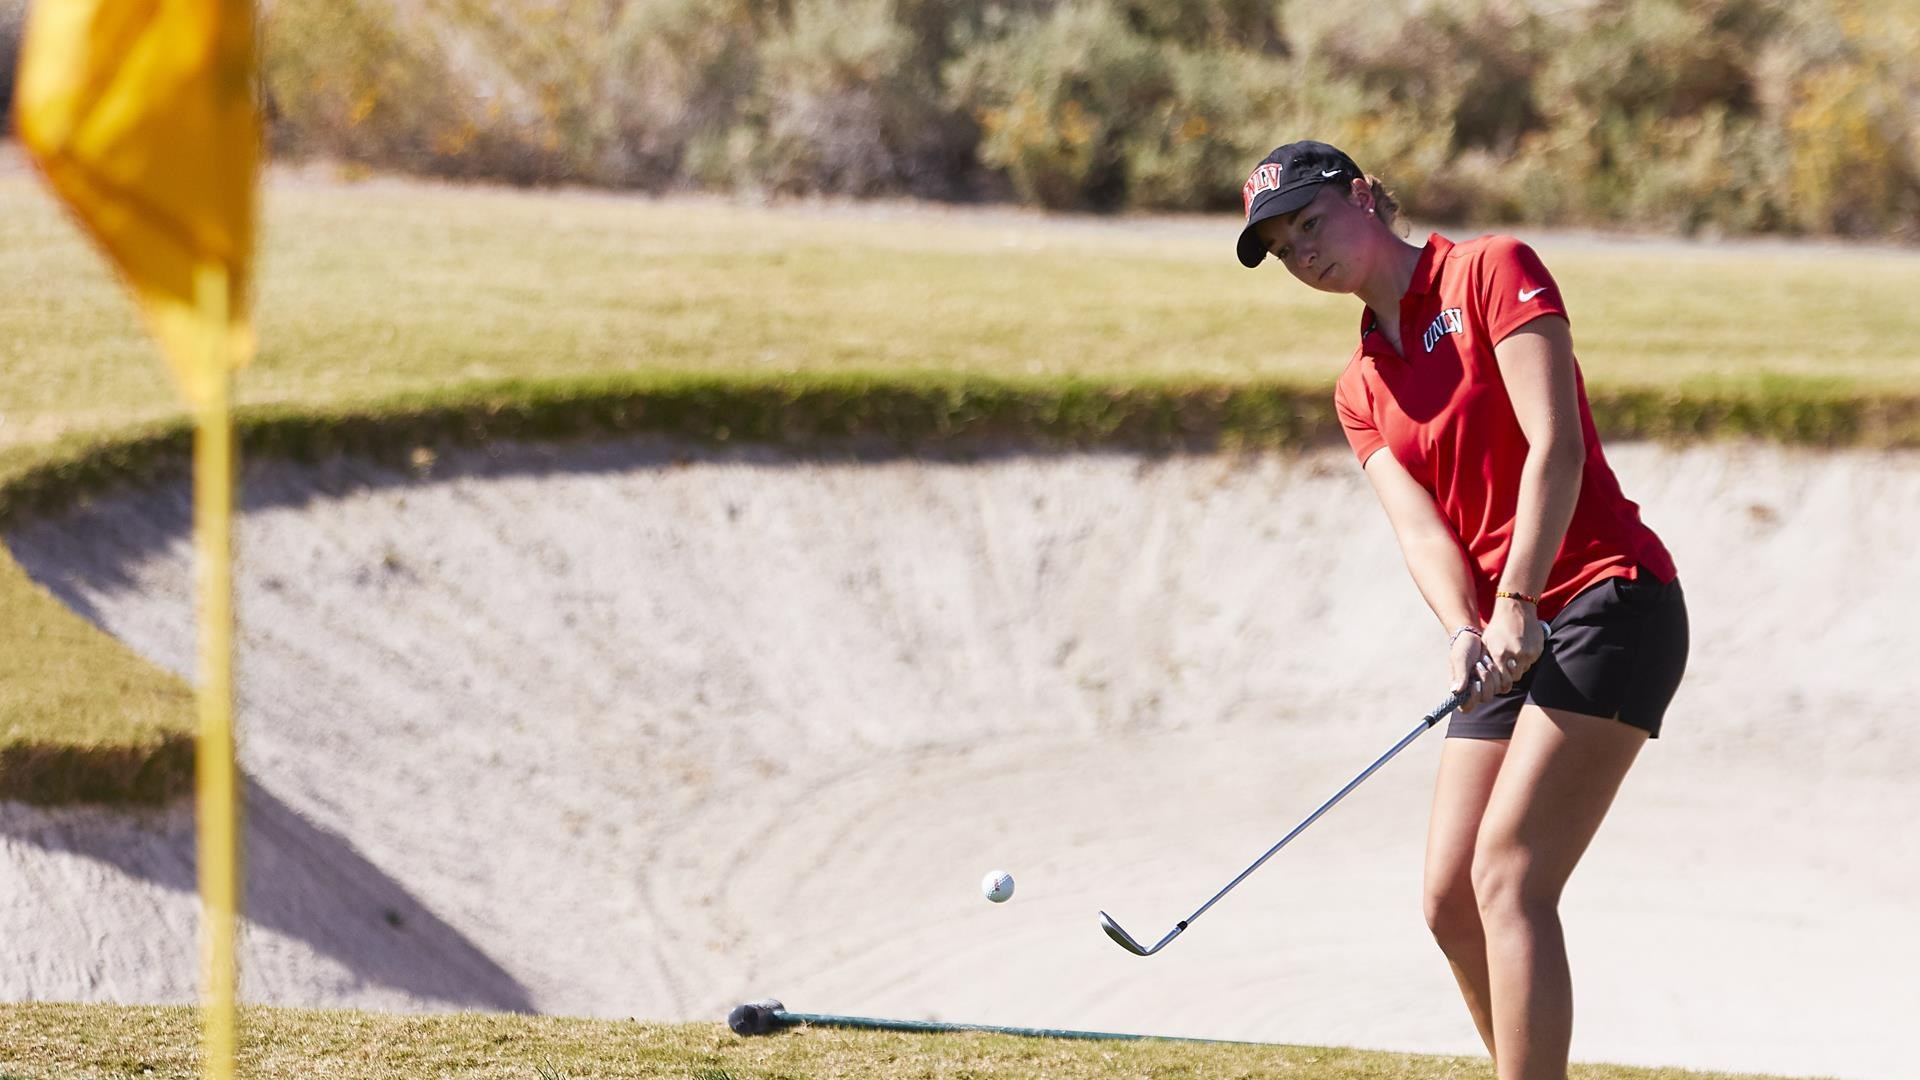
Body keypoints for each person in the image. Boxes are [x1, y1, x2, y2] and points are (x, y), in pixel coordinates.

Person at [1233, 141, 1690, 1080]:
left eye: (1311, 223)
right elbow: (1423, 532)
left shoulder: (1491, 271)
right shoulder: (1360, 387)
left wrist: (1517, 596)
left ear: (1363, 196)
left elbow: (1553, 444)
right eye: (1283, 248)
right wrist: (1464, 628)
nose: (1303, 254)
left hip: (1610, 597)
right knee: (1450, 900)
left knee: (1509, 876)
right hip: (1508, 639)